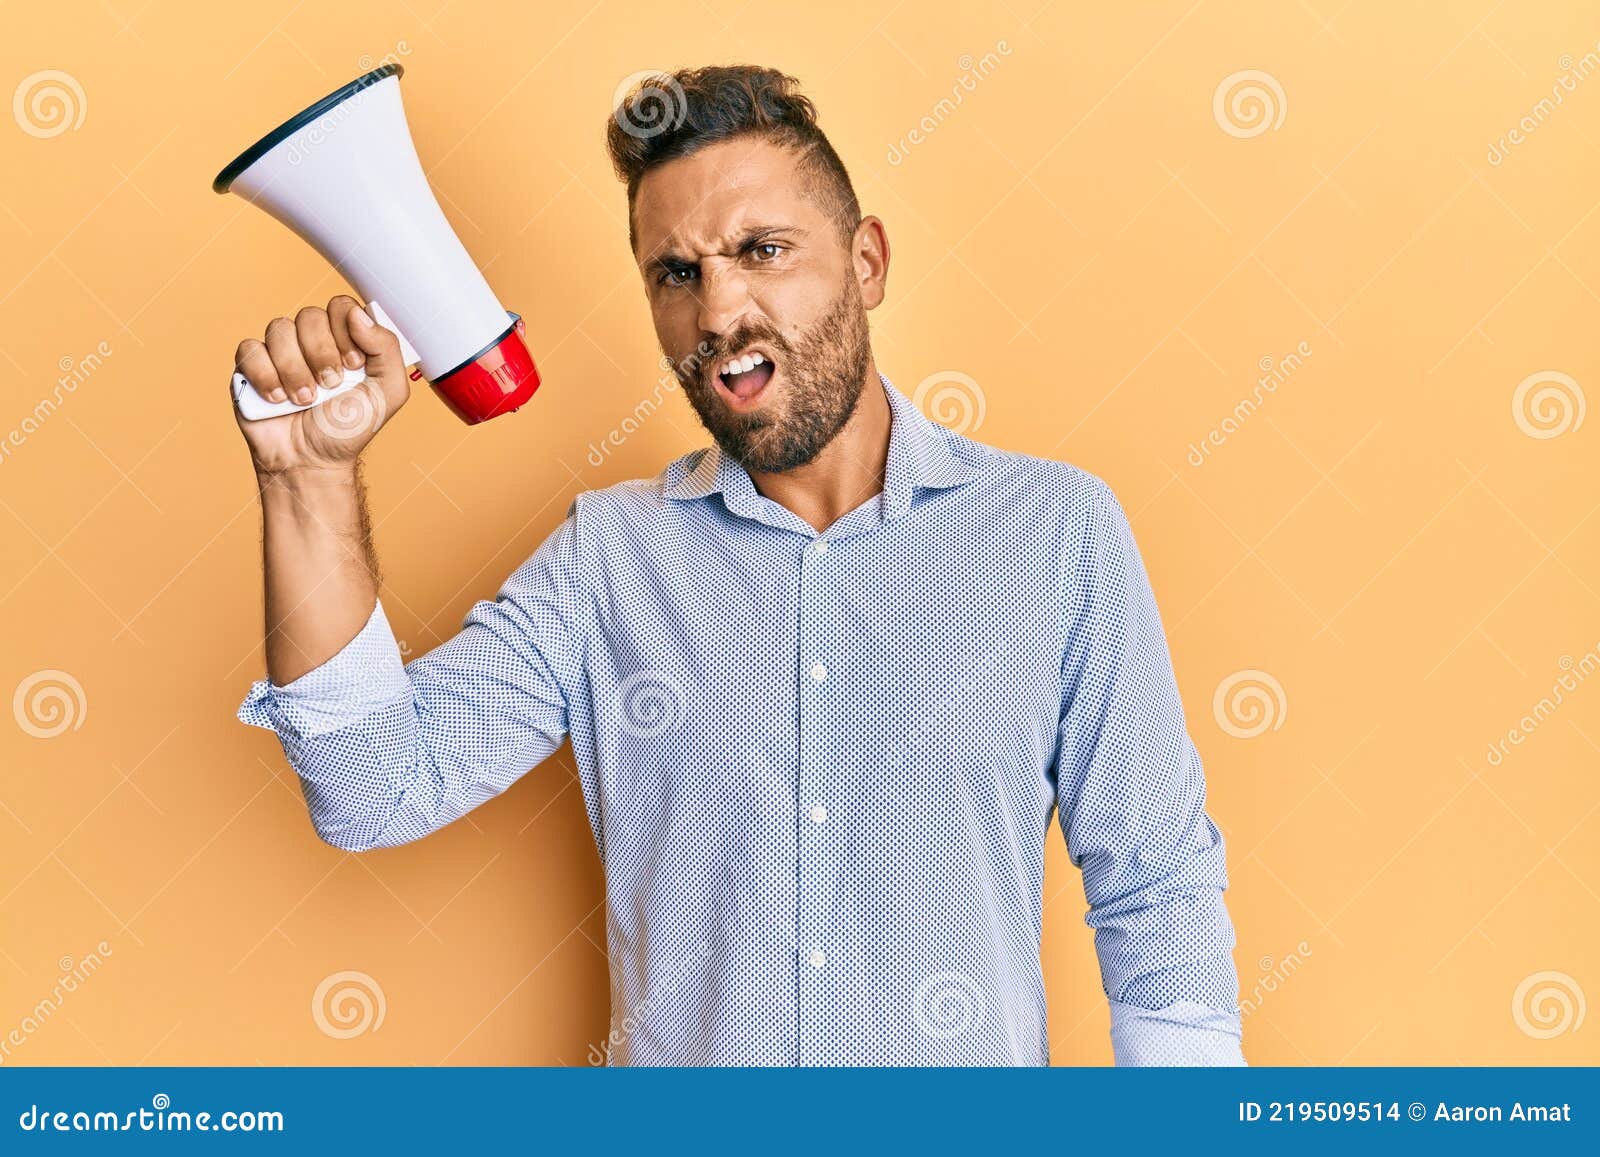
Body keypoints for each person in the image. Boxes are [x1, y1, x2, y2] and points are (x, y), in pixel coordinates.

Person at [234, 65, 1245, 1067]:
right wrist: (306, 479)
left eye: (762, 250)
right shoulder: (608, 559)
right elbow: (369, 787)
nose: (717, 311)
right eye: (676, 273)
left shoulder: (1054, 532)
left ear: (866, 263)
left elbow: (1154, 879)